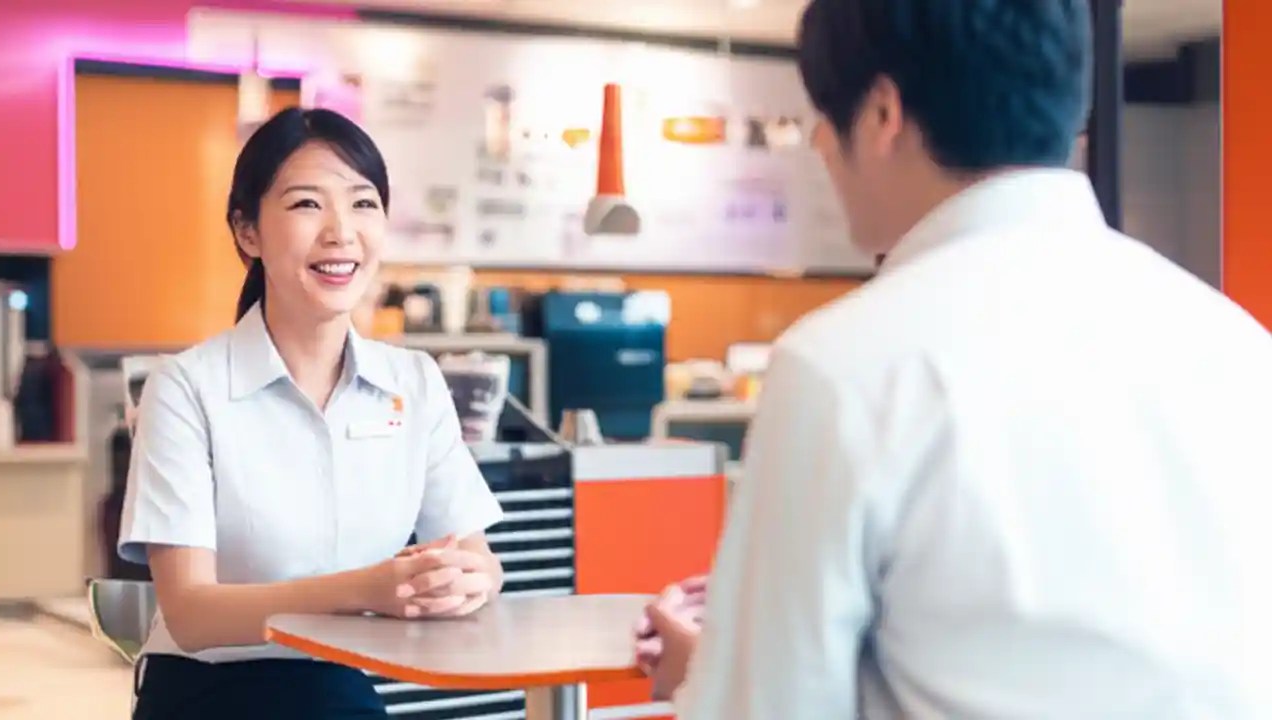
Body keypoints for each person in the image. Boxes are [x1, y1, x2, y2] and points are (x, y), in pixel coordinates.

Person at [638, 1, 1272, 718]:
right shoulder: (1237, 344)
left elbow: (769, 709)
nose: (818, 143)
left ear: (882, 114)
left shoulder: (844, 368)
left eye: (823, 116)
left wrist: (704, 678)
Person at [118, 107, 506, 720]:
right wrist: (369, 590)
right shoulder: (186, 387)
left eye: (363, 203)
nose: (341, 233)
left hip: (335, 689)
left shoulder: (415, 384)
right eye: (306, 205)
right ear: (248, 232)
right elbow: (191, 614)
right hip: (205, 693)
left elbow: (476, 555)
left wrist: (472, 579)